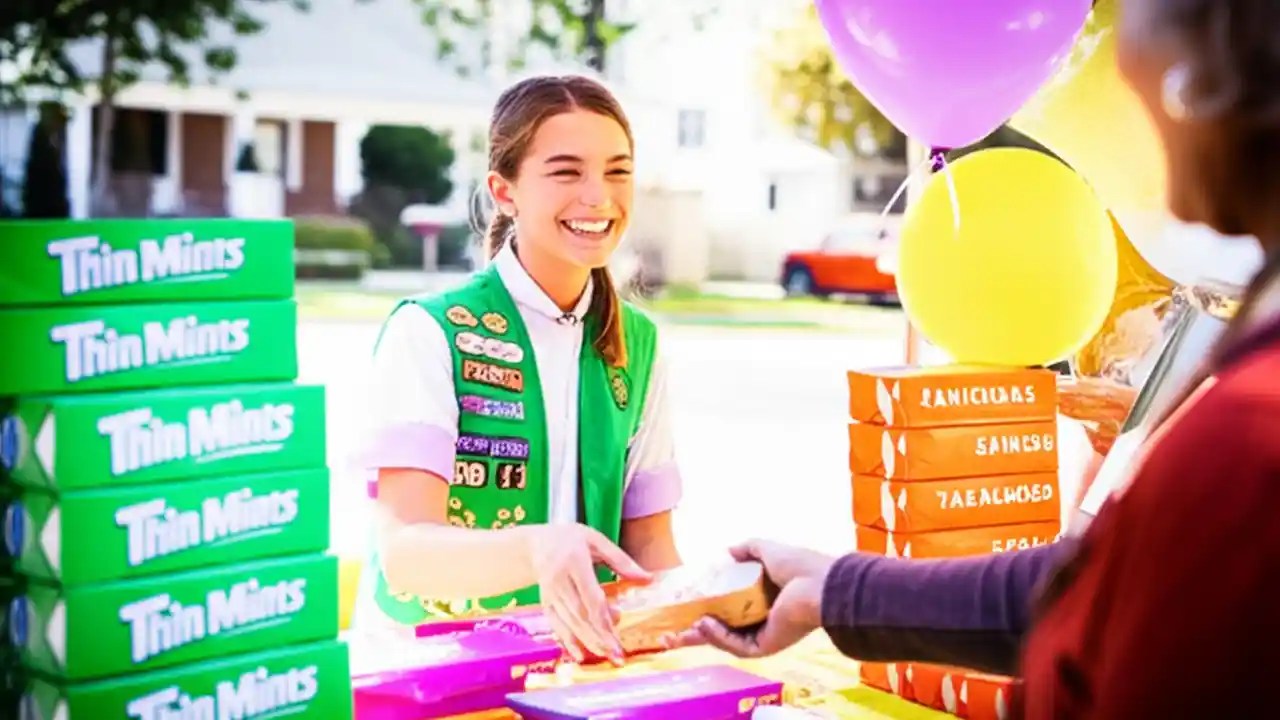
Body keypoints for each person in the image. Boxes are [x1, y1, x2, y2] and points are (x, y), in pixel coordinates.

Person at [675, 1, 1280, 716]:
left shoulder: (1248, 429)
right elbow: (1093, 584)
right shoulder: (1245, 361)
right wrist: (836, 589)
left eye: (1139, 102)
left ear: (1207, 92)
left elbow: (1122, 642)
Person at [351, 75, 684, 665]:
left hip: (573, 676)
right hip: (431, 673)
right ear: (504, 191)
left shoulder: (638, 342)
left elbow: (651, 545)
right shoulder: (429, 331)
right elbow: (404, 553)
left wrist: (711, 606)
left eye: (616, 171)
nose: (598, 198)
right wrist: (539, 549)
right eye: (565, 172)